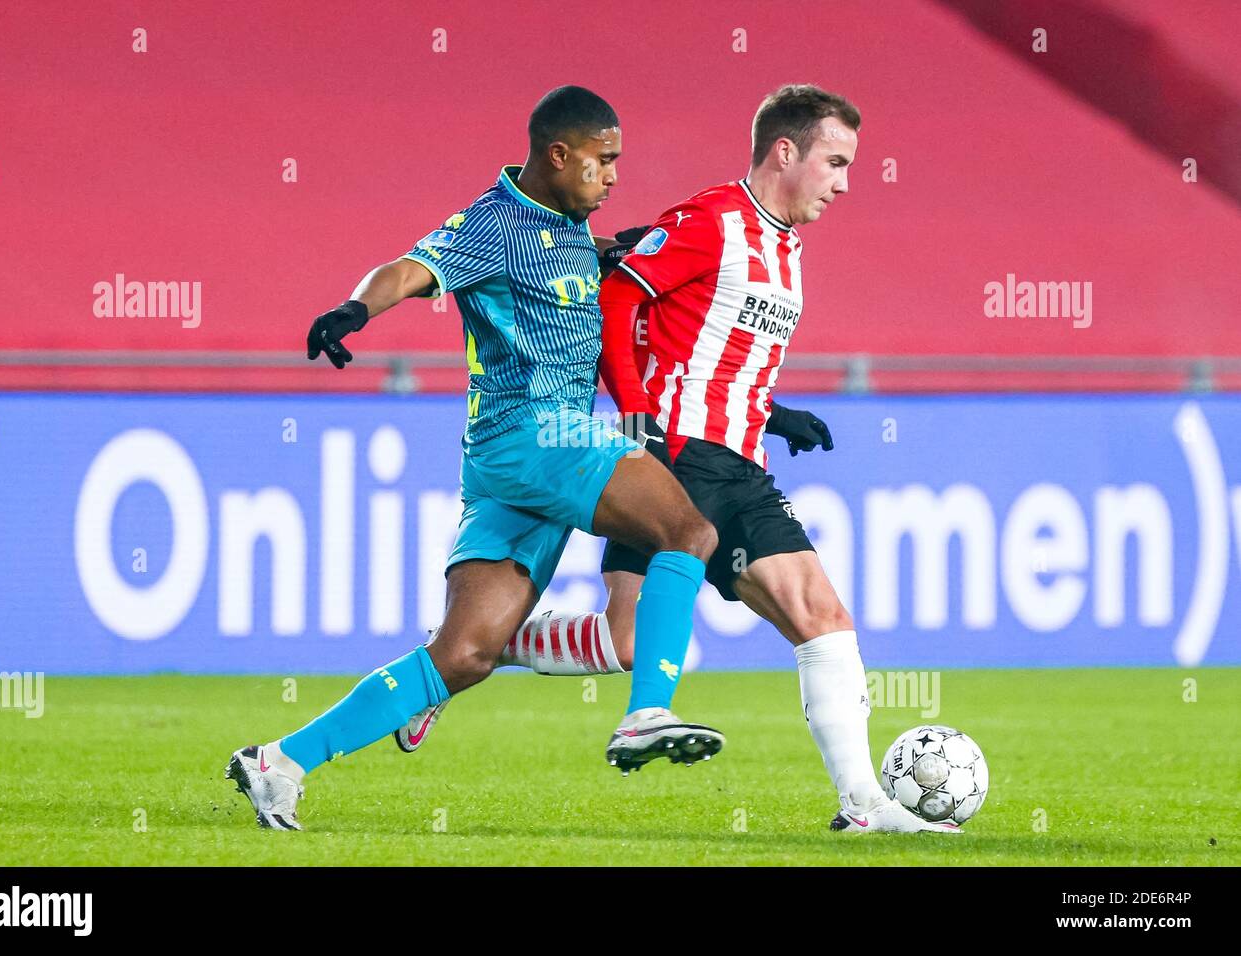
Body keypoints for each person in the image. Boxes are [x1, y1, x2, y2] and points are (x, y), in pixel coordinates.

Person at [400, 84, 960, 835]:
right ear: (784, 152)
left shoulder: (786, 249)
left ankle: (862, 807)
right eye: (835, 162)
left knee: (811, 621)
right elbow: (620, 298)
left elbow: (711, 350)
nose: (844, 183)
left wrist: (771, 410)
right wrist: (634, 407)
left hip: (740, 460)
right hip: (678, 456)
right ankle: (473, 655)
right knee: (666, 636)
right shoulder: (712, 221)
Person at [224, 86, 724, 831]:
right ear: (559, 155)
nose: (614, 175)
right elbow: (408, 268)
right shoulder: (493, 223)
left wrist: (610, 250)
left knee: (462, 656)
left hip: (504, 463)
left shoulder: (570, 228)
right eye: (603, 160)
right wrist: (355, 309)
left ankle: (278, 764)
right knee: (689, 532)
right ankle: (646, 712)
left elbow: (568, 266)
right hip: (540, 435)